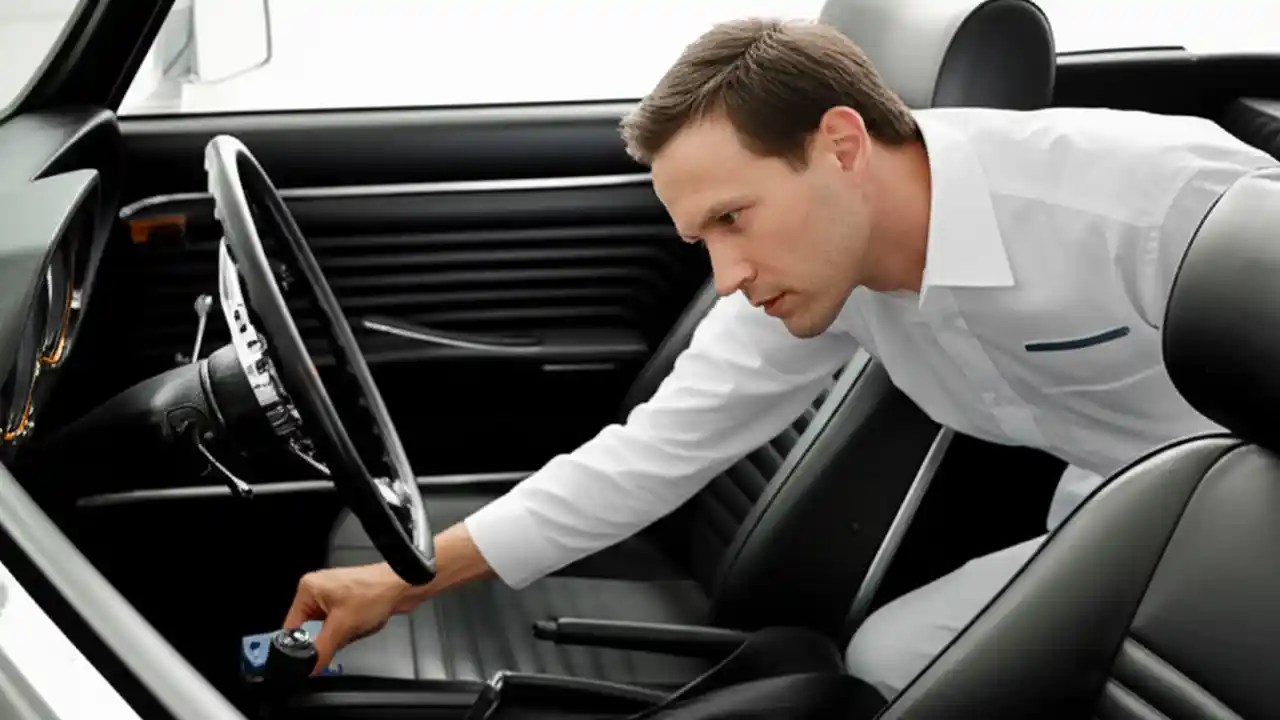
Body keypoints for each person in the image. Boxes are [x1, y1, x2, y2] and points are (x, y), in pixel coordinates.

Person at [282, 17, 1278, 699]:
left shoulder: (1148, 204)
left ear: (841, 145)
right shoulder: (811, 270)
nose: (727, 276)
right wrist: (402, 579)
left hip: (1250, 536)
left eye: (733, 218)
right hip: (1116, 522)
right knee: (888, 656)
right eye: (701, 240)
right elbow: (652, 455)